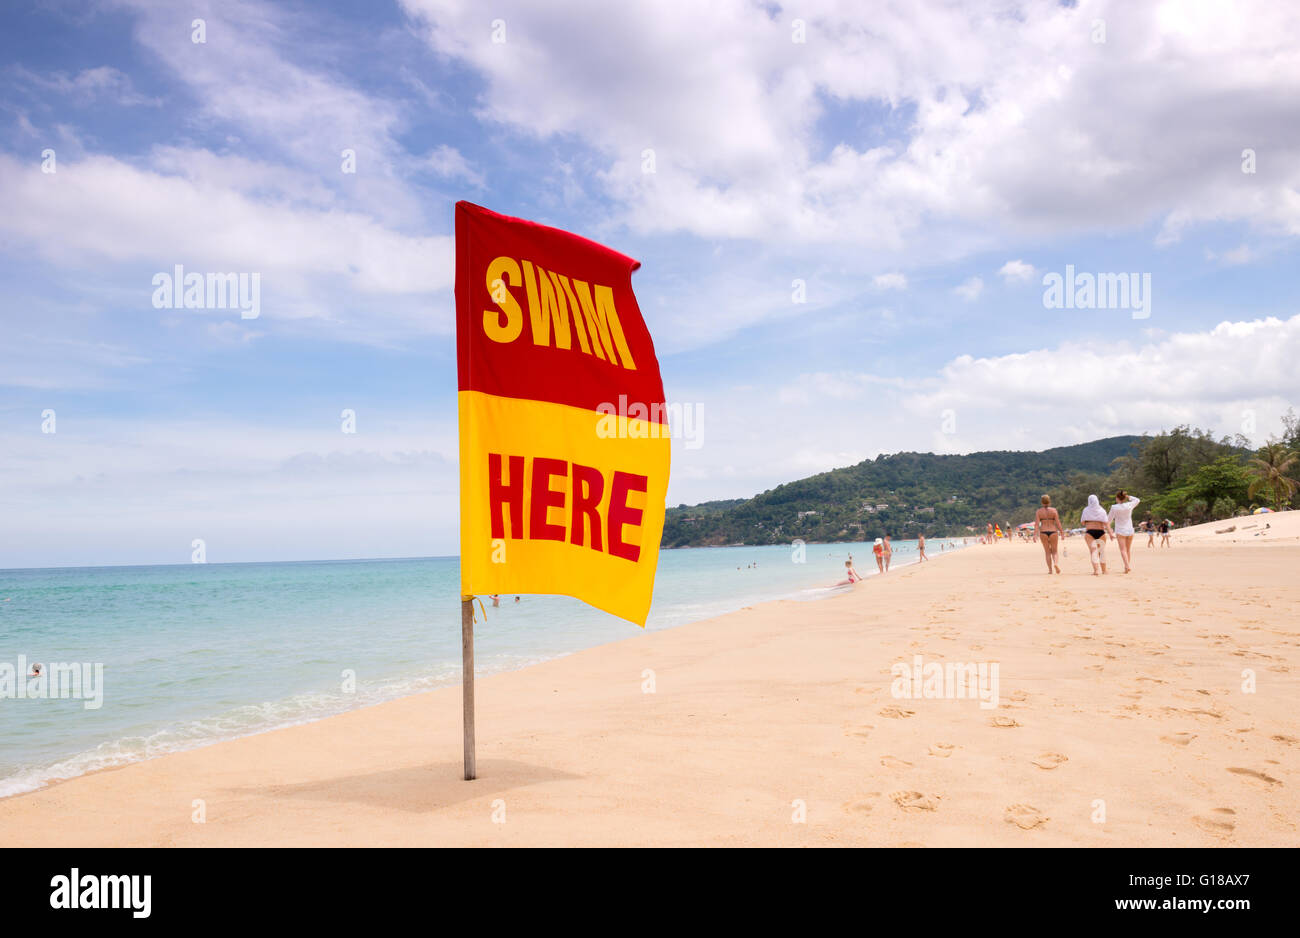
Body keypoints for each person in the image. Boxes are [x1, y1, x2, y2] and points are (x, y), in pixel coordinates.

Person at [1107, 490, 1141, 574]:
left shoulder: (1114, 507)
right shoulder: (1129, 505)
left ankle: (1127, 566)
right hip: (1130, 530)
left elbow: (1108, 520)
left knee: (1123, 550)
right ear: (1124, 498)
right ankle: (1126, 567)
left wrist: (1110, 532)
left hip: (1120, 530)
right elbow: (1137, 500)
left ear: (1117, 498)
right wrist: (1128, 497)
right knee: (1128, 550)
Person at [1081, 494, 1111, 575]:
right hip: (1101, 531)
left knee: (1093, 551)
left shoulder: (1086, 510)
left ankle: (1096, 570)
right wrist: (1111, 533)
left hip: (1090, 532)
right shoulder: (1102, 510)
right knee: (1101, 551)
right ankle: (1104, 570)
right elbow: (1106, 522)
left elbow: (1083, 522)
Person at [1034, 494, 1063, 574]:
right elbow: (1058, 522)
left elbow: (1036, 524)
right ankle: (1056, 564)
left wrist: (1035, 535)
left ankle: (1050, 570)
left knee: (1047, 552)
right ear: (1049, 501)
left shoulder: (1039, 512)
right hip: (1053, 531)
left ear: (1042, 502)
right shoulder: (1054, 510)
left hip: (1043, 532)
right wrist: (1062, 532)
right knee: (1055, 551)